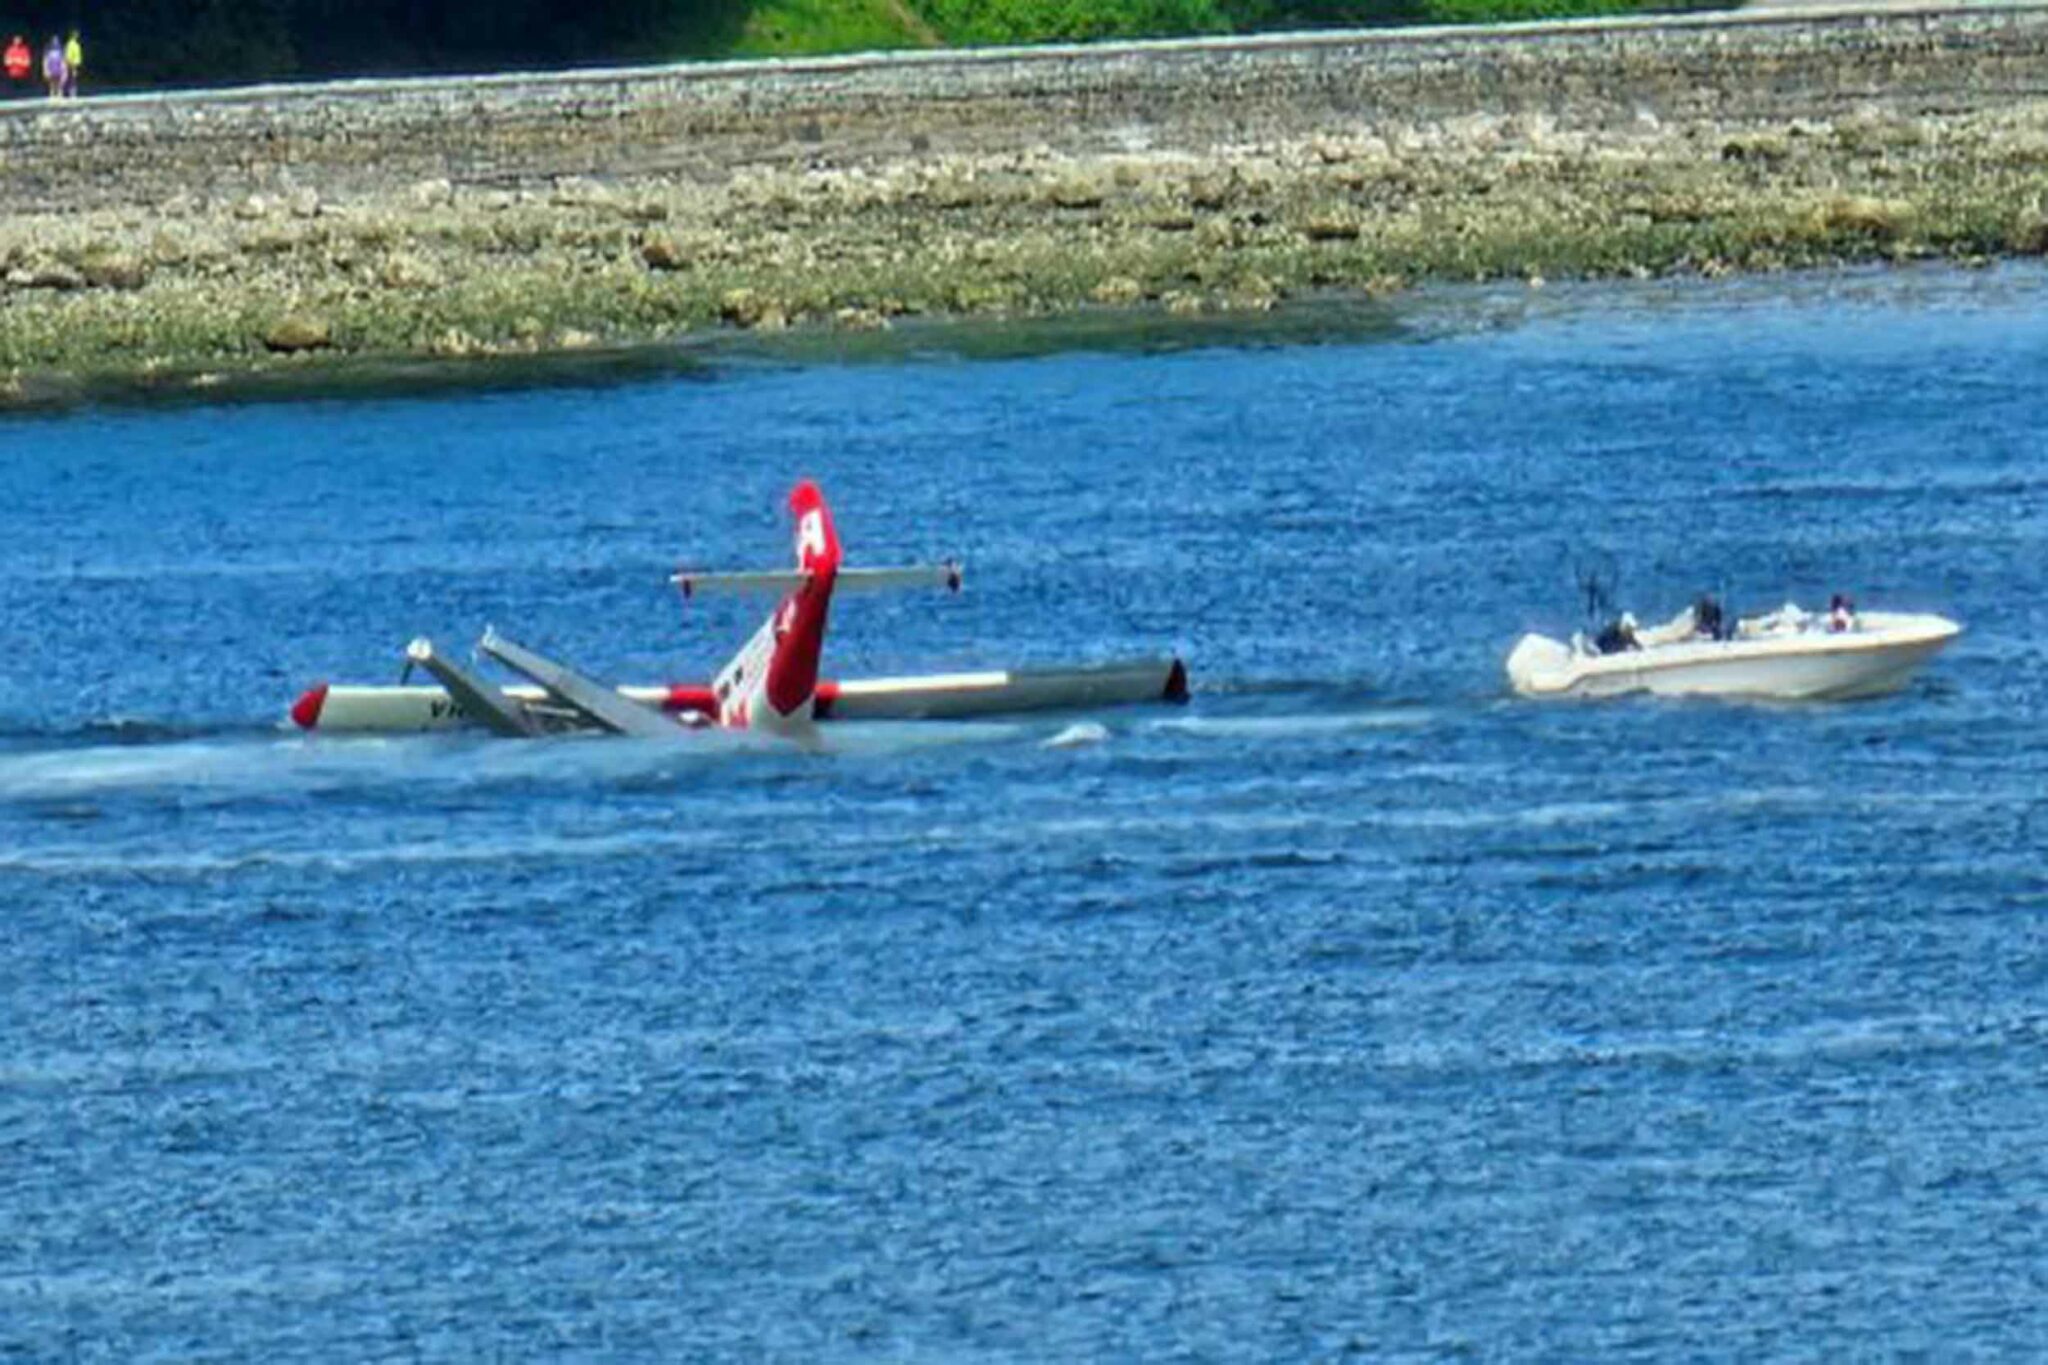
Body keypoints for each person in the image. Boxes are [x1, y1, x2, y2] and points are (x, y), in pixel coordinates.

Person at [40, 35, 63, 100]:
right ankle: (52, 95)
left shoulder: (60, 50)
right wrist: (45, 69)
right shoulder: (48, 50)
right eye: (54, 40)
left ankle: (59, 95)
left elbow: (62, 60)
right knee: (51, 83)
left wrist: (63, 69)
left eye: (57, 41)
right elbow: (45, 60)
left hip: (58, 68)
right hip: (51, 68)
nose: (55, 42)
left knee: (59, 82)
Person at [61, 29, 79, 98]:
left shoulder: (75, 44)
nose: (77, 36)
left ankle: (70, 93)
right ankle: (69, 93)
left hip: (74, 63)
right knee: (71, 79)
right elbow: (69, 55)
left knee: (72, 79)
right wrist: (72, 65)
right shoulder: (71, 44)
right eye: (75, 34)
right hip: (71, 64)